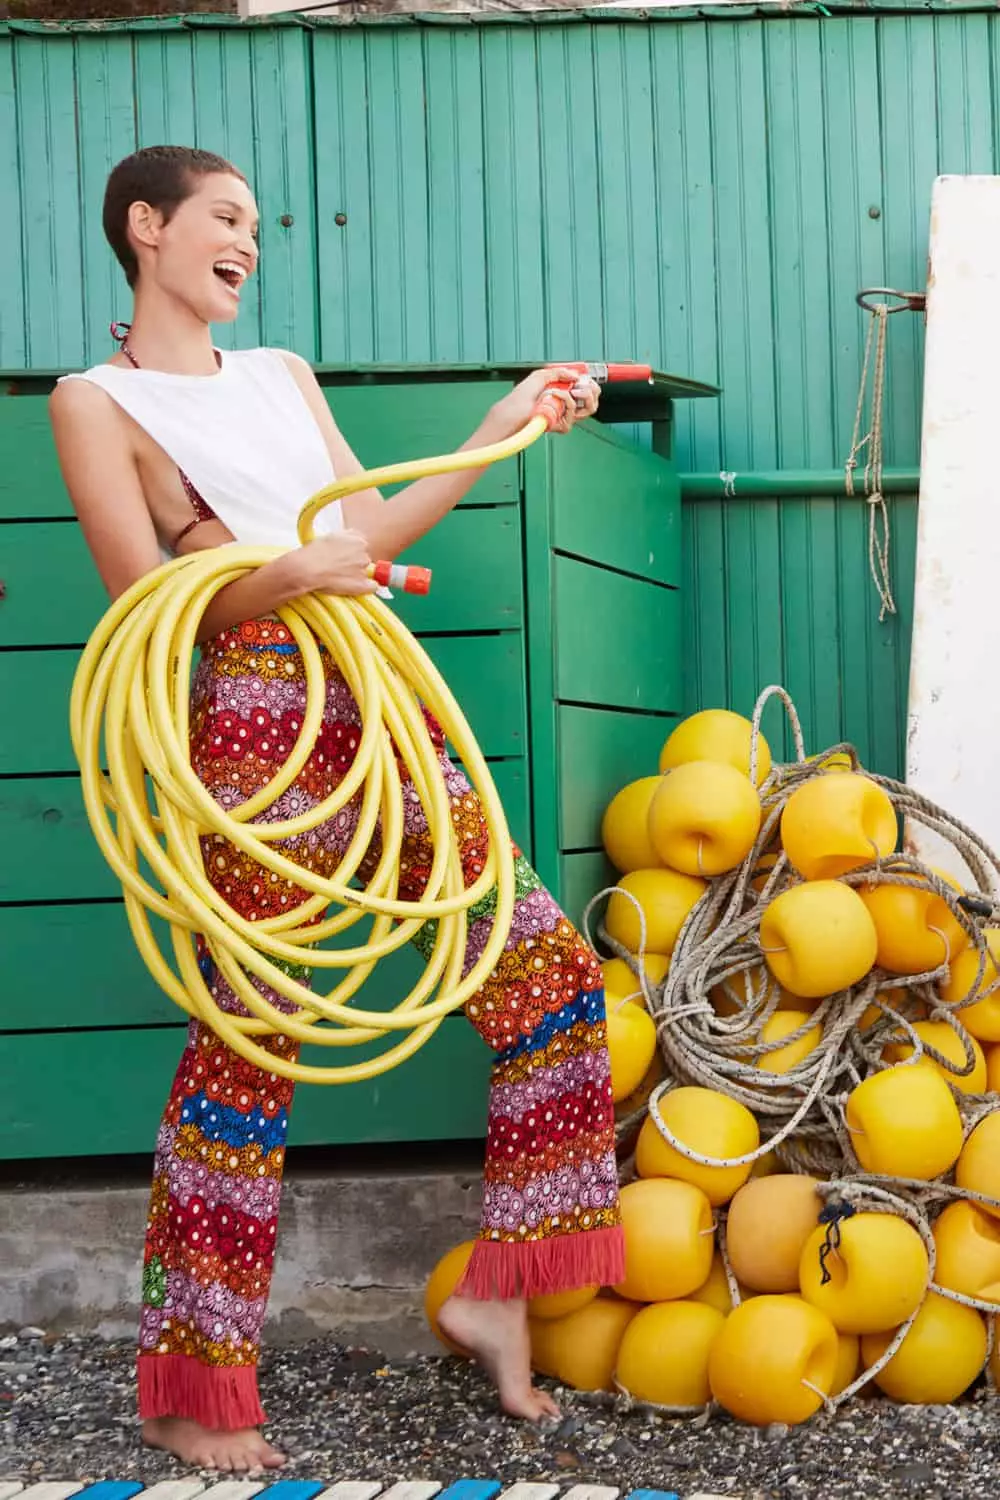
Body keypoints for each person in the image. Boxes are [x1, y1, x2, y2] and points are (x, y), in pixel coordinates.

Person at [49, 145, 624, 1475]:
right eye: (223, 218)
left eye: (257, 223)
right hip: (255, 722)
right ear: (147, 228)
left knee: (544, 975)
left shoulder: (282, 375)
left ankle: (499, 1293)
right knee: (251, 1044)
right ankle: (190, 1386)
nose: (249, 241)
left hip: (385, 707)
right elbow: (146, 602)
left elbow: (366, 534)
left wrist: (493, 429)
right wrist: (281, 577)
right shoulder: (95, 401)